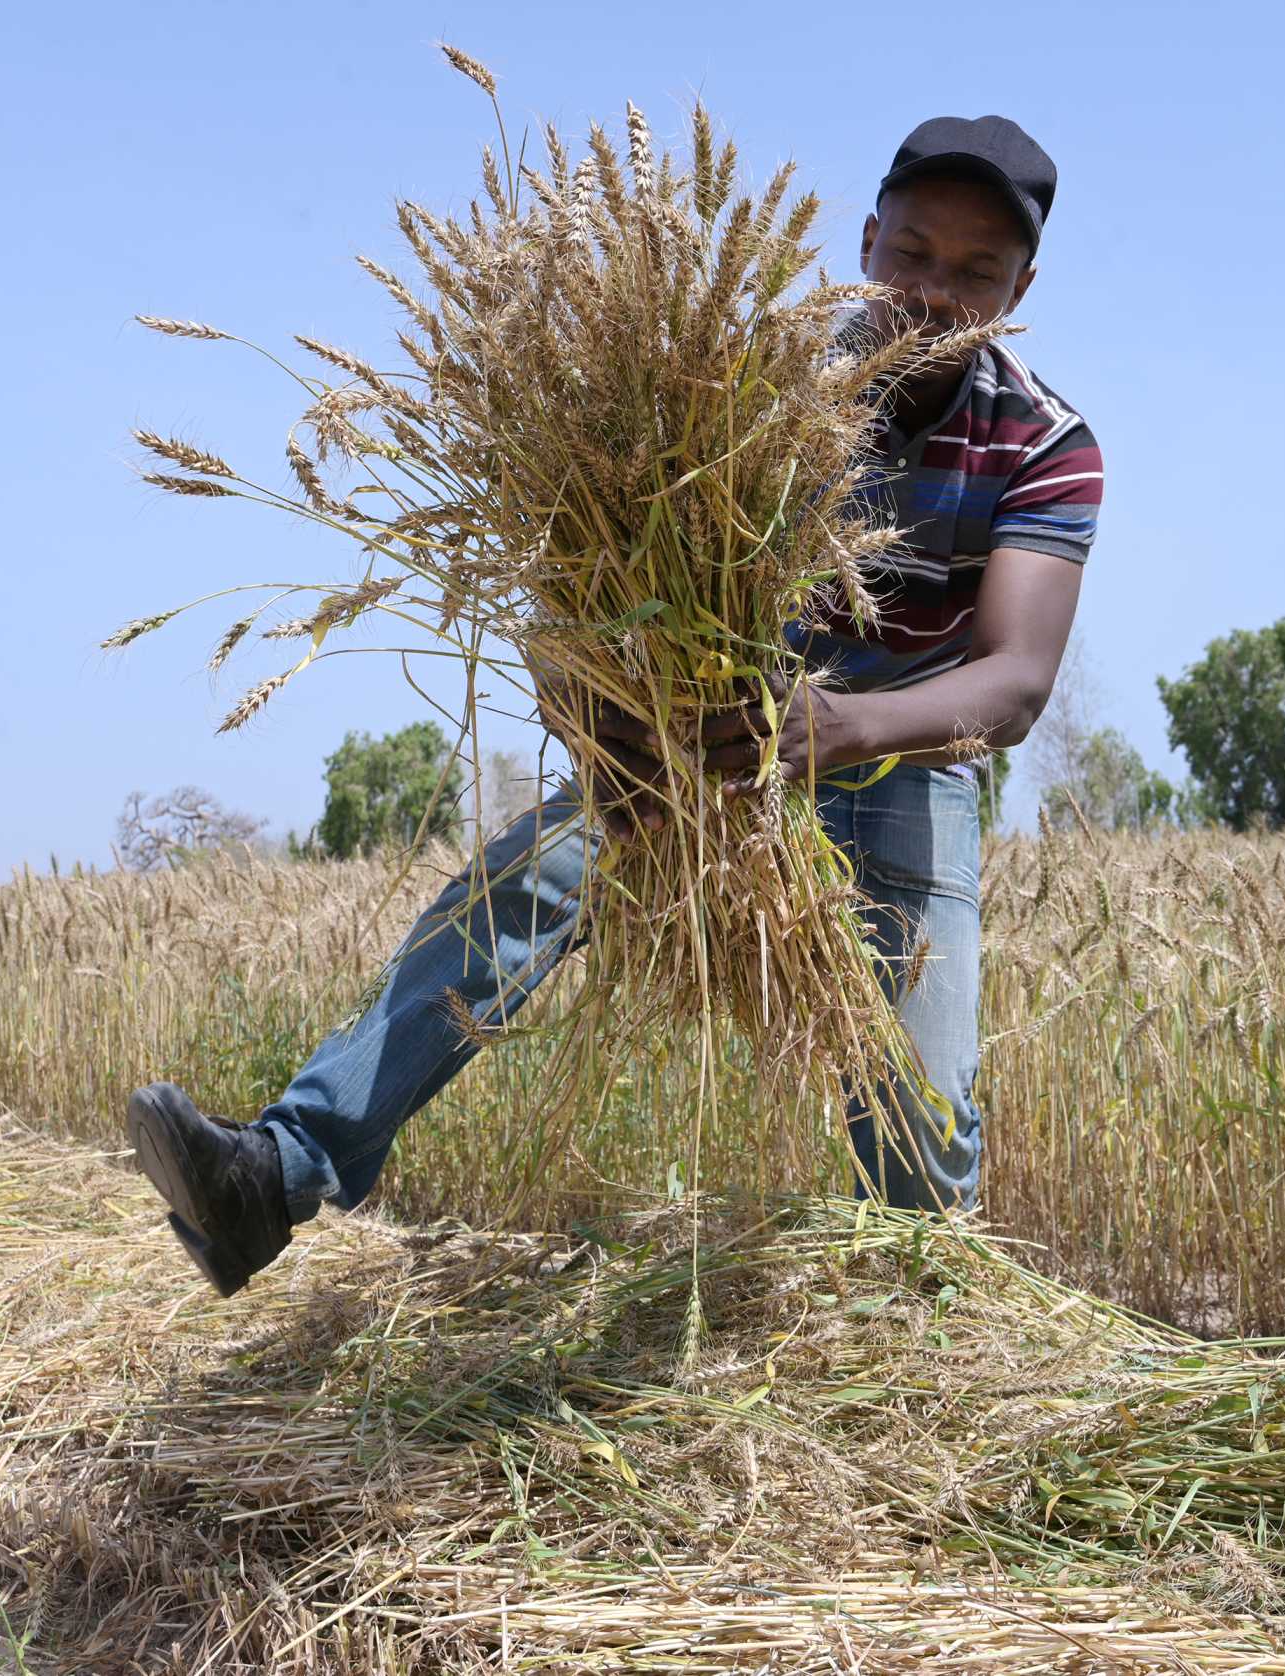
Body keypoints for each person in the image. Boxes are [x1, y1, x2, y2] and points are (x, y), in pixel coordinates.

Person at [130, 114, 1104, 1297]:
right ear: (864, 242)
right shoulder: (735, 376)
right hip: (708, 742)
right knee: (527, 880)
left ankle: (925, 1301)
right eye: (911, 253)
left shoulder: (1048, 444)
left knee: (919, 1145)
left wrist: (839, 728)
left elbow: (1013, 683)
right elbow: (584, 569)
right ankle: (273, 1174)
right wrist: (597, 715)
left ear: (1020, 292)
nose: (933, 293)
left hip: (902, 762)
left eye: (976, 272)